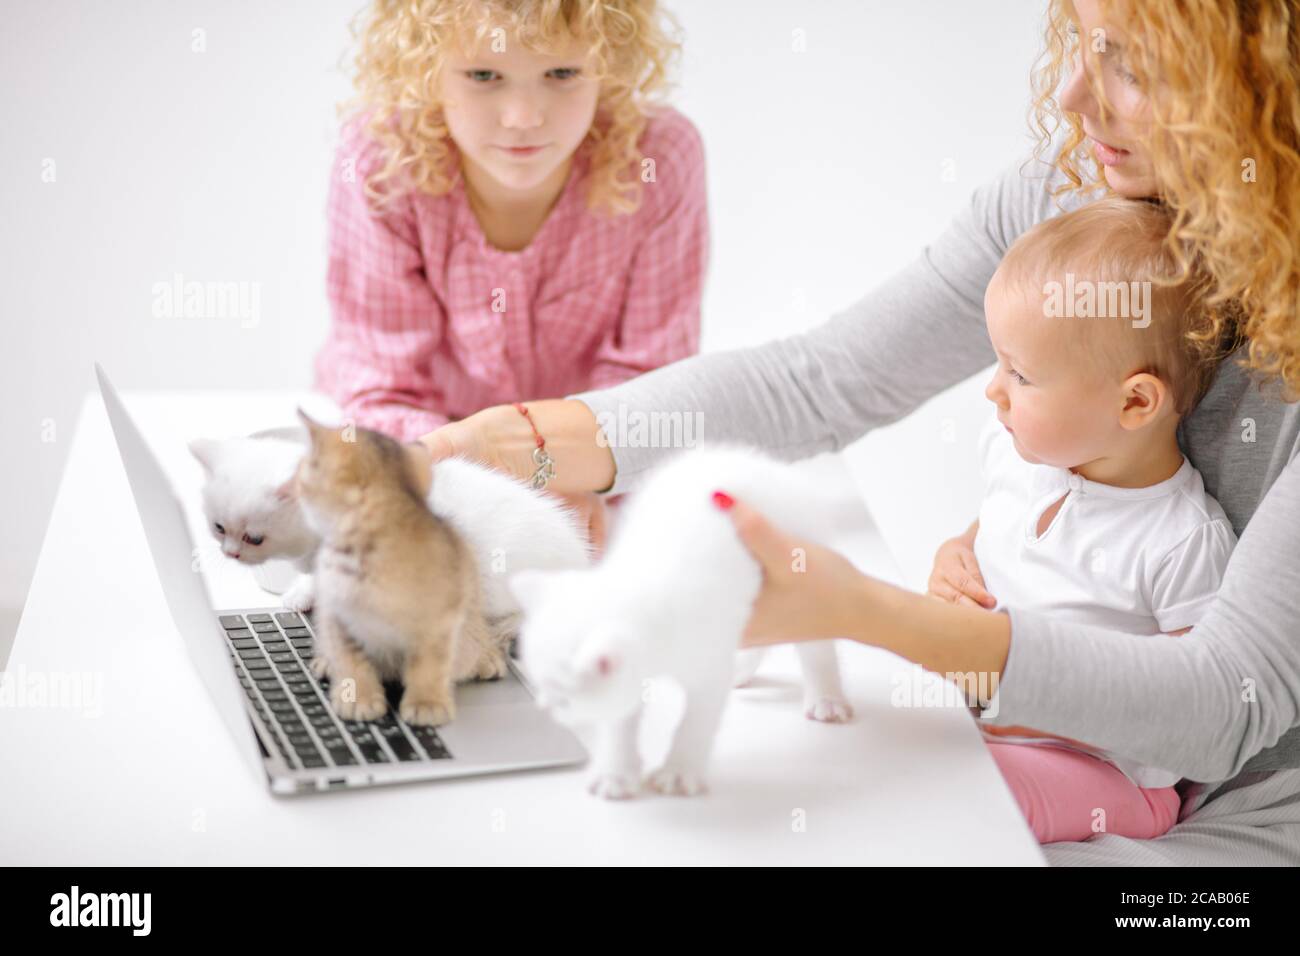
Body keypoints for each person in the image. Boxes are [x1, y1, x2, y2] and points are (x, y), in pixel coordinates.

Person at [420, 0, 1300, 864]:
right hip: (1018, 753)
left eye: (1133, 66)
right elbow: (819, 380)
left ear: (1265, 86)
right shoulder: (1070, 203)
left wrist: (871, 614)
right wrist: (522, 441)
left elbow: (1223, 700)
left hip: (1224, 832)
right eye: (1076, 40)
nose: (1074, 94)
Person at [313, 0, 709, 546]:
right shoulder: (382, 162)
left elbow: (649, 382)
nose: (523, 116)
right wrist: (521, 487)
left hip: (593, 480)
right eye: (483, 75)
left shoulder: (659, 157)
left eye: (563, 73)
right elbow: (385, 391)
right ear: (424, 66)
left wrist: (575, 469)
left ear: (610, 63)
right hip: (435, 471)